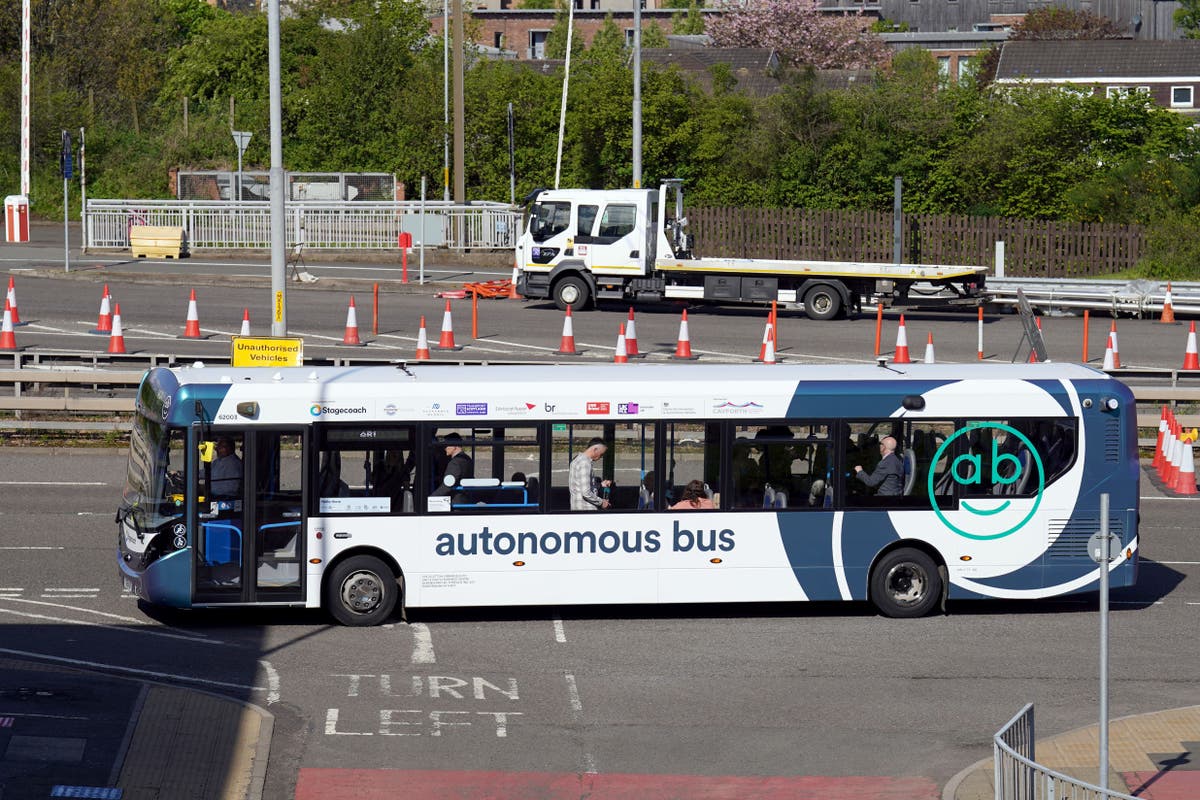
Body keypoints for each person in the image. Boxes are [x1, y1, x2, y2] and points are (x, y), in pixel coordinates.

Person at [569, 438, 612, 510]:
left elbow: (581, 486)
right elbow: (586, 492)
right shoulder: (585, 463)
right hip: (586, 509)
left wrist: (600, 485)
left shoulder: (577, 459)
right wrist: (602, 502)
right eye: (601, 454)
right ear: (595, 449)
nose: (601, 457)